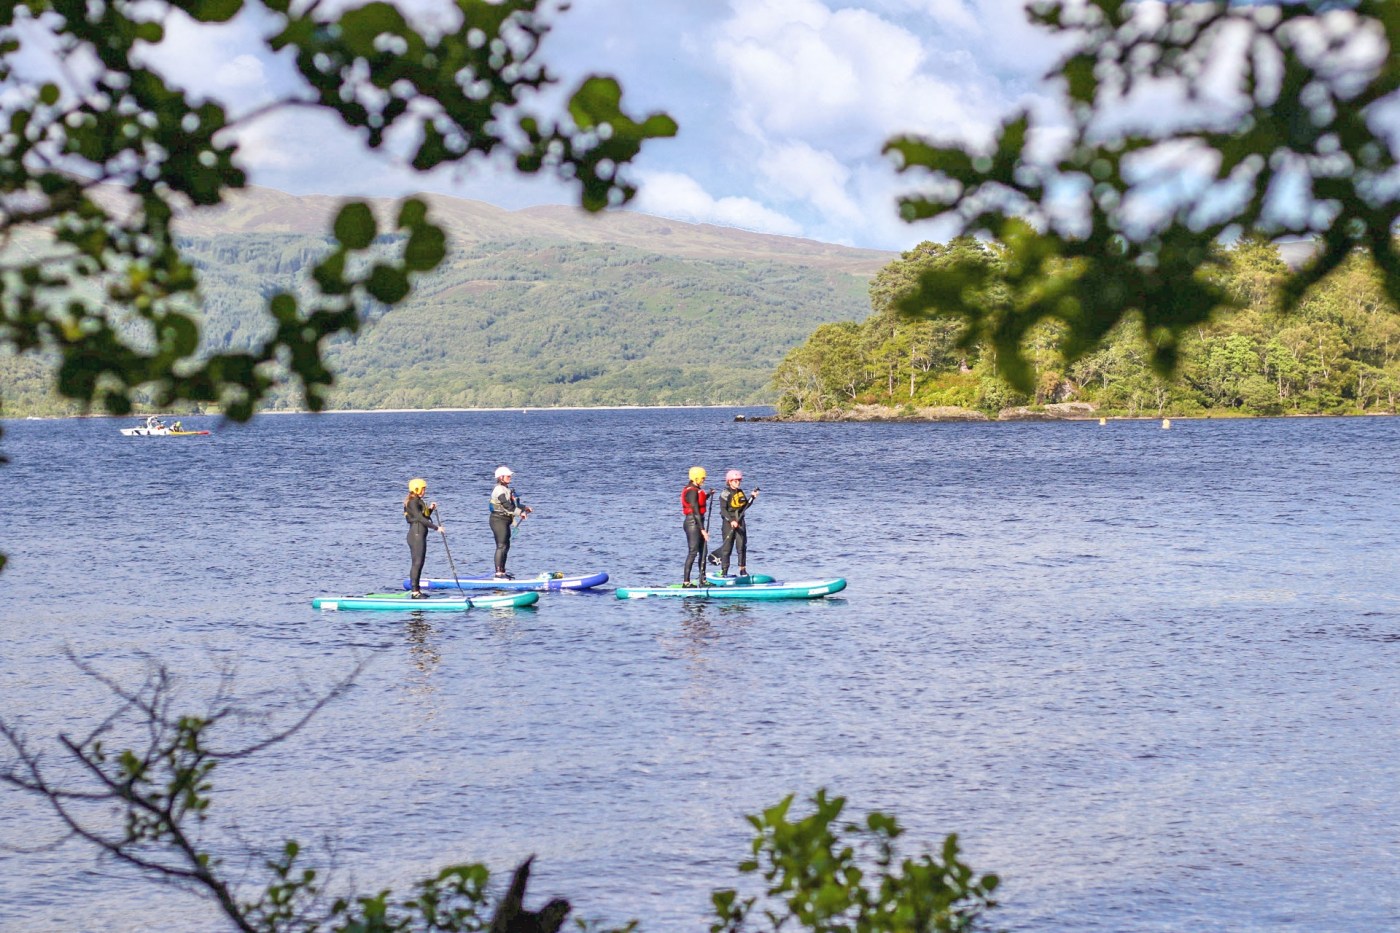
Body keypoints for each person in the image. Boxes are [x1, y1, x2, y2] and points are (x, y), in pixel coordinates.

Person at [708, 469, 758, 577]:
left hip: (740, 522)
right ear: (730, 481)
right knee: (727, 549)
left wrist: (752, 498)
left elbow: (745, 507)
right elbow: (723, 510)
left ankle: (742, 570)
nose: (738, 482)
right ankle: (724, 571)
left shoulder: (740, 492)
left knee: (741, 546)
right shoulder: (725, 493)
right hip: (728, 523)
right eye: (735, 480)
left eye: (739, 480)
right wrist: (731, 521)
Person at [489, 465, 531, 580]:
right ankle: (498, 574)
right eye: (508, 476)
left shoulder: (507, 489)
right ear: (501, 477)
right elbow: (506, 505)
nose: (510, 478)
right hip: (498, 520)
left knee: (506, 546)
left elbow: (513, 505)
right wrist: (520, 513)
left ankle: (502, 571)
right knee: (501, 546)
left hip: (505, 520)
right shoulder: (498, 490)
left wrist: (524, 508)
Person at [404, 477, 440, 598]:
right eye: (423, 489)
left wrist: (430, 509)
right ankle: (415, 592)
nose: (424, 491)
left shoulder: (418, 501)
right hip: (416, 535)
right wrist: (436, 528)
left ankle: (417, 590)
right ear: (416, 489)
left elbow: (424, 515)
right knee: (417, 563)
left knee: (419, 563)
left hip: (419, 534)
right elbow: (420, 519)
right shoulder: (413, 502)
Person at [681, 466, 710, 587]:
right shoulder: (691, 491)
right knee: (693, 552)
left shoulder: (695, 490)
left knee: (703, 551)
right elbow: (695, 510)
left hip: (697, 521)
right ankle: (686, 582)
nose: (704, 480)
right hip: (692, 523)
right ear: (696, 478)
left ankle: (702, 579)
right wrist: (702, 530)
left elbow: (699, 502)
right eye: (702, 478)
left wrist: (708, 495)